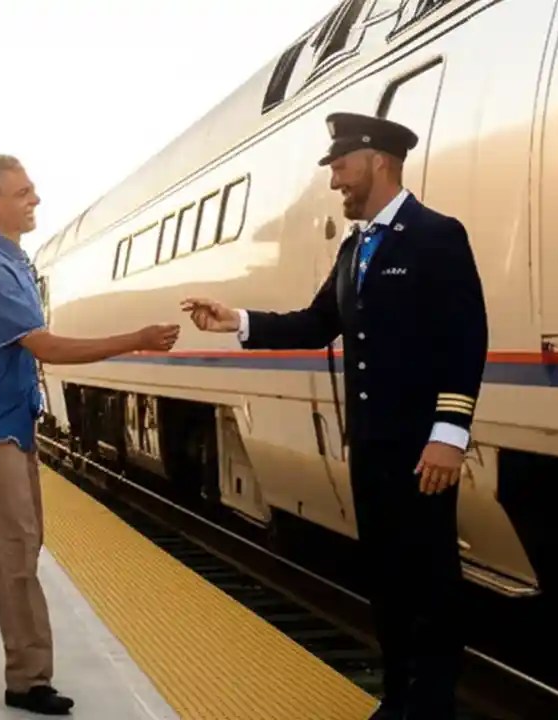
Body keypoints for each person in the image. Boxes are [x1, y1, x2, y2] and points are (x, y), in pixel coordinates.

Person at [181, 113, 488, 720]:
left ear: (377, 160)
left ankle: (430, 707)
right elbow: (318, 323)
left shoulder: (436, 235)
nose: (335, 183)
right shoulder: (355, 250)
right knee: (388, 580)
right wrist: (238, 320)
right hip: (370, 445)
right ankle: (399, 698)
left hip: (421, 447)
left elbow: (465, 338)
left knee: (429, 582)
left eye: (341, 167)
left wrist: (449, 435)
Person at [0, 153, 180, 716]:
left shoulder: (11, 260)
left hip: (9, 419)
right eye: (23, 192)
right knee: (18, 548)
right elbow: (45, 346)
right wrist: (137, 339)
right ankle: (28, 679)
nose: (35, 200)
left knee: (12, 543)